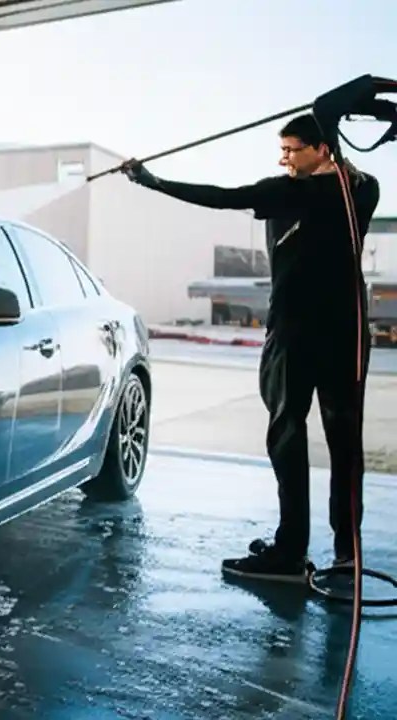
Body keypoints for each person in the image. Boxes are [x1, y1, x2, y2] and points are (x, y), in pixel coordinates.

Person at [121, 114, 380, 582]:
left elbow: (229, 197)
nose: (283, 159)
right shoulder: (308, 189)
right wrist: (155, 183)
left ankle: (338, 553)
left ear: (323, 149)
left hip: (328, 334)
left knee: (340, 444)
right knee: (290, 436)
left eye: (292, 149)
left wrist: (152, 181)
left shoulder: (354, 189)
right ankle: (299, 547)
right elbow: (222, 198)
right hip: (302, 332)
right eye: (281, 150)